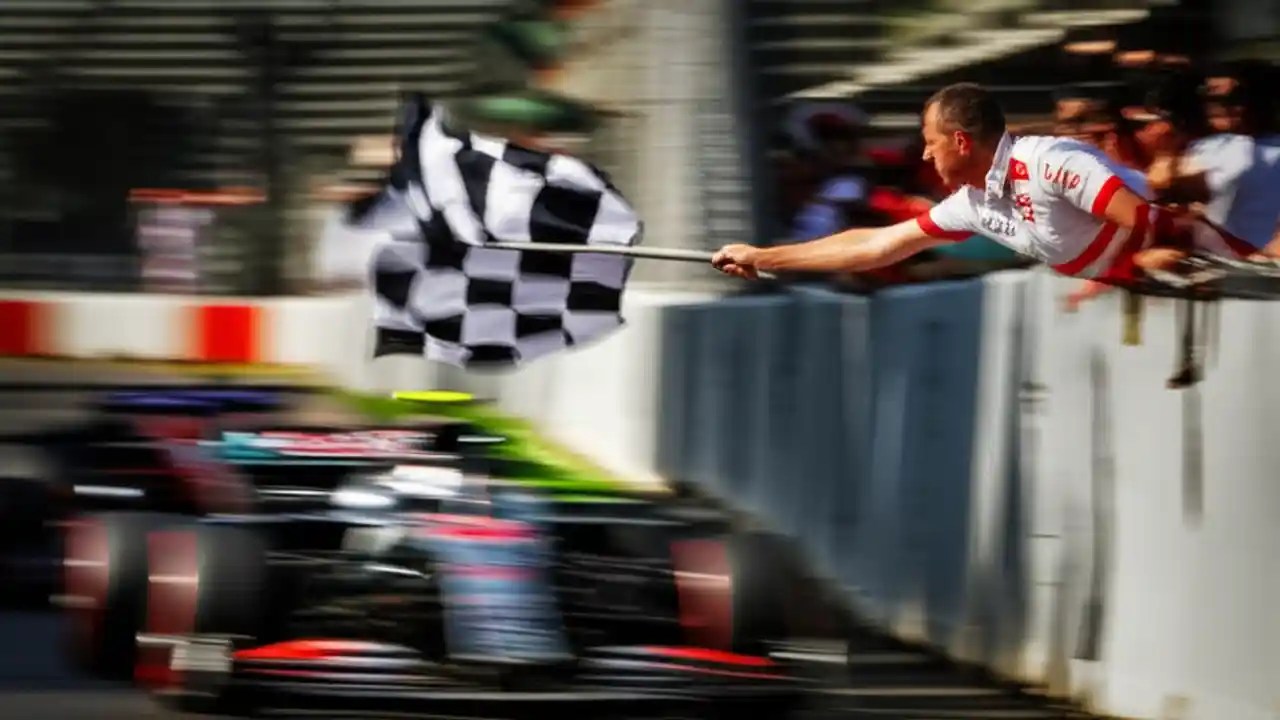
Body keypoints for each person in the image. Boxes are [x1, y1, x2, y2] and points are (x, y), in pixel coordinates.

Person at [712, 82, 1254, 283]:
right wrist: (766, 256)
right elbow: (875, 246)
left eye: (930, 140)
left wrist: (1136, 265)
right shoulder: (972, 203)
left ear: (961, 142)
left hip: (1230, 270)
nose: (924, 152)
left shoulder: (1047, 162)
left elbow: (1152, 223)